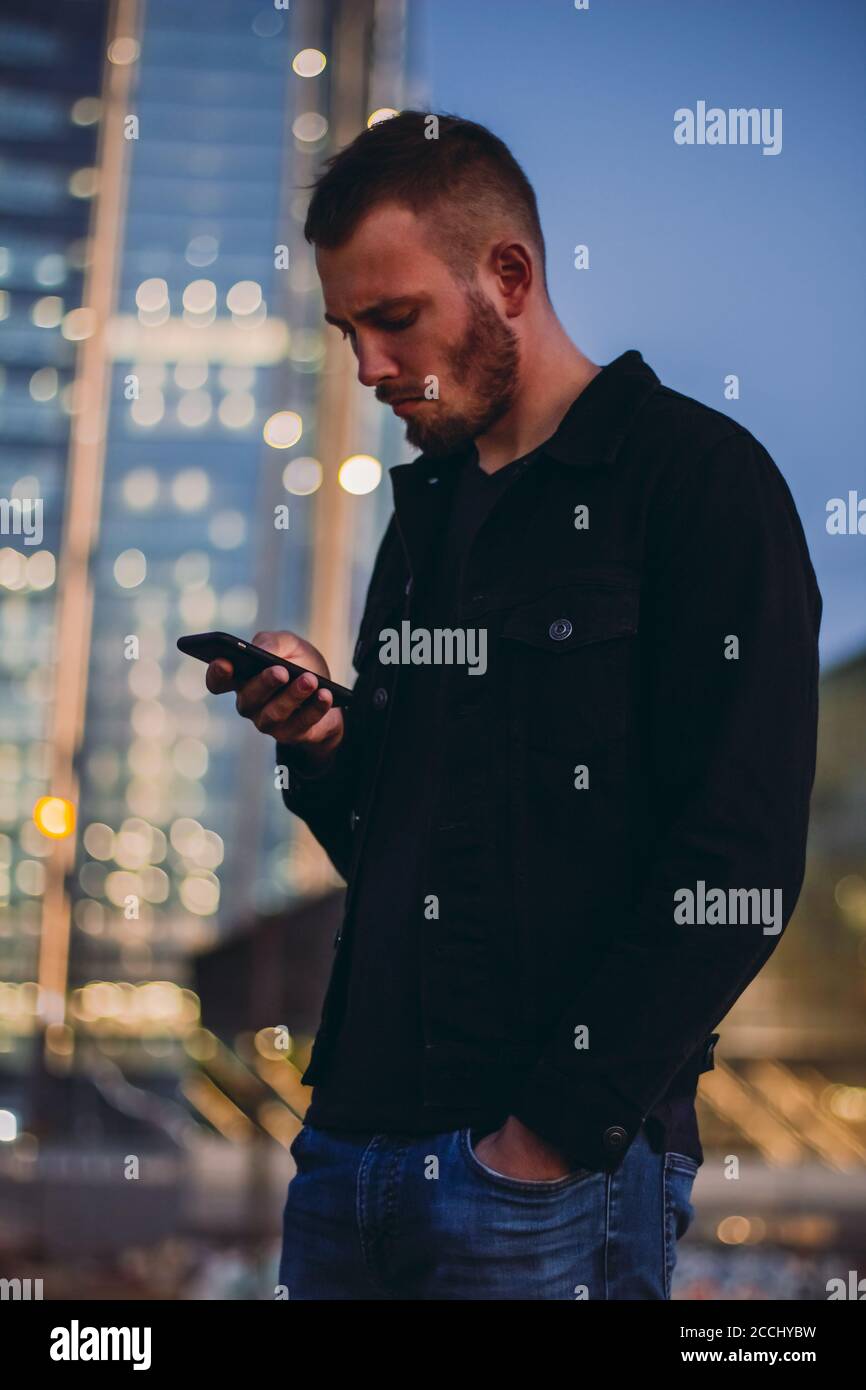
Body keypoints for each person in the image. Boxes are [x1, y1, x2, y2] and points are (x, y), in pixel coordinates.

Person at [205, 112, 822, 1300]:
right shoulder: (427, 519)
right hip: (344, 1158)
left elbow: (739, 858)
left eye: (393, 321)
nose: (369, 369)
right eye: (347, 331)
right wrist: (327, 741)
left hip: (546, 1183)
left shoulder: (696, 483)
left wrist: (543, 1143)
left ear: (509, 276)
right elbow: (394, 847)